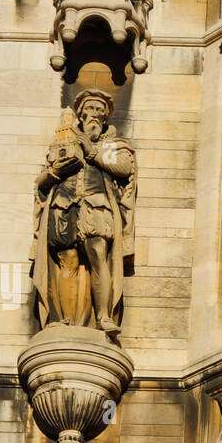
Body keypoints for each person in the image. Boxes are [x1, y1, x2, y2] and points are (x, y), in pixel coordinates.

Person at [31, 89, 136, 340]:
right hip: (63, 205)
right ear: (80, 114)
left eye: (100, 110)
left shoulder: (110, 144)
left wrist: (90, 150)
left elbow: (121, 168)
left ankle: (103, 316)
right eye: (90, 109)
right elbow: (41, 182)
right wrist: (55, 173)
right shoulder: (63, 142)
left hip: (96, 205)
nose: (94, 114)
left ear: (106, 117)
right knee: (66, 261)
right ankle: (62, 319)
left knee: (98, 256)